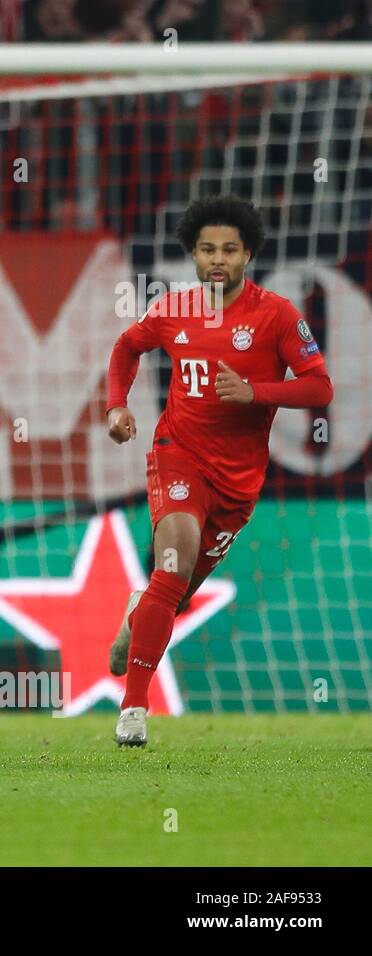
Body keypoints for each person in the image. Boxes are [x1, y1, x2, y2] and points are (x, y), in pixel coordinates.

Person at [104, 195, 333, 746]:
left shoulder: (277, 315)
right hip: (178, 452)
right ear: (192, 253)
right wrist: (116, 405)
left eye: (229, 249)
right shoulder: (173, 309)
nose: (217, 259)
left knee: (173, 594)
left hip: (239, 483)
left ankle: (140, 610)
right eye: (207, 249)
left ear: (247, 254)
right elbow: (125, 348)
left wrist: (257, 392)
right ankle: (134, 710)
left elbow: (319, 385)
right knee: (176, 560)